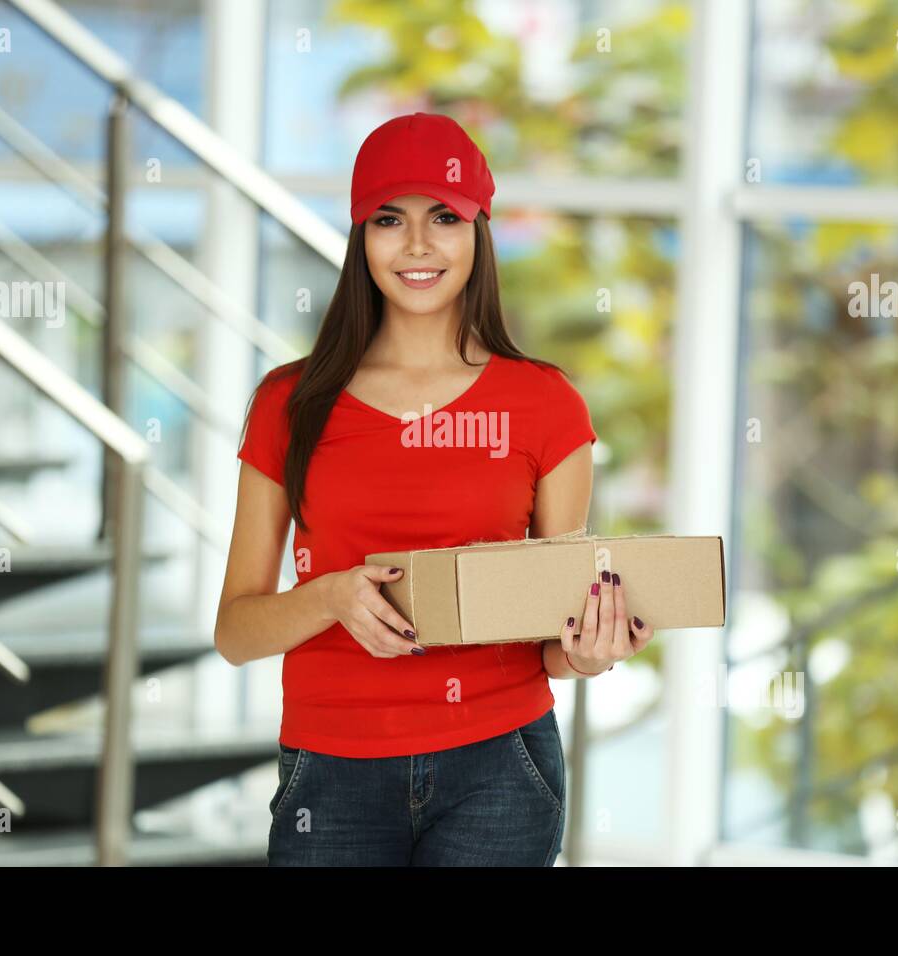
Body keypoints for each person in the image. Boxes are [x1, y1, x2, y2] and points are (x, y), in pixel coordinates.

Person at [213, 111, 655, 866]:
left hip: (499, 765)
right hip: (332, 769)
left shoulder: (545, 406)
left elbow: (549, 638)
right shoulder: (292, 402)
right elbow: (236, 633)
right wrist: (328, 598)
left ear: (479, 231)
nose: (417, 245)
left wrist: (588, 655)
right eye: (390, 219)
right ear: (361, 238)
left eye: (444, 217)